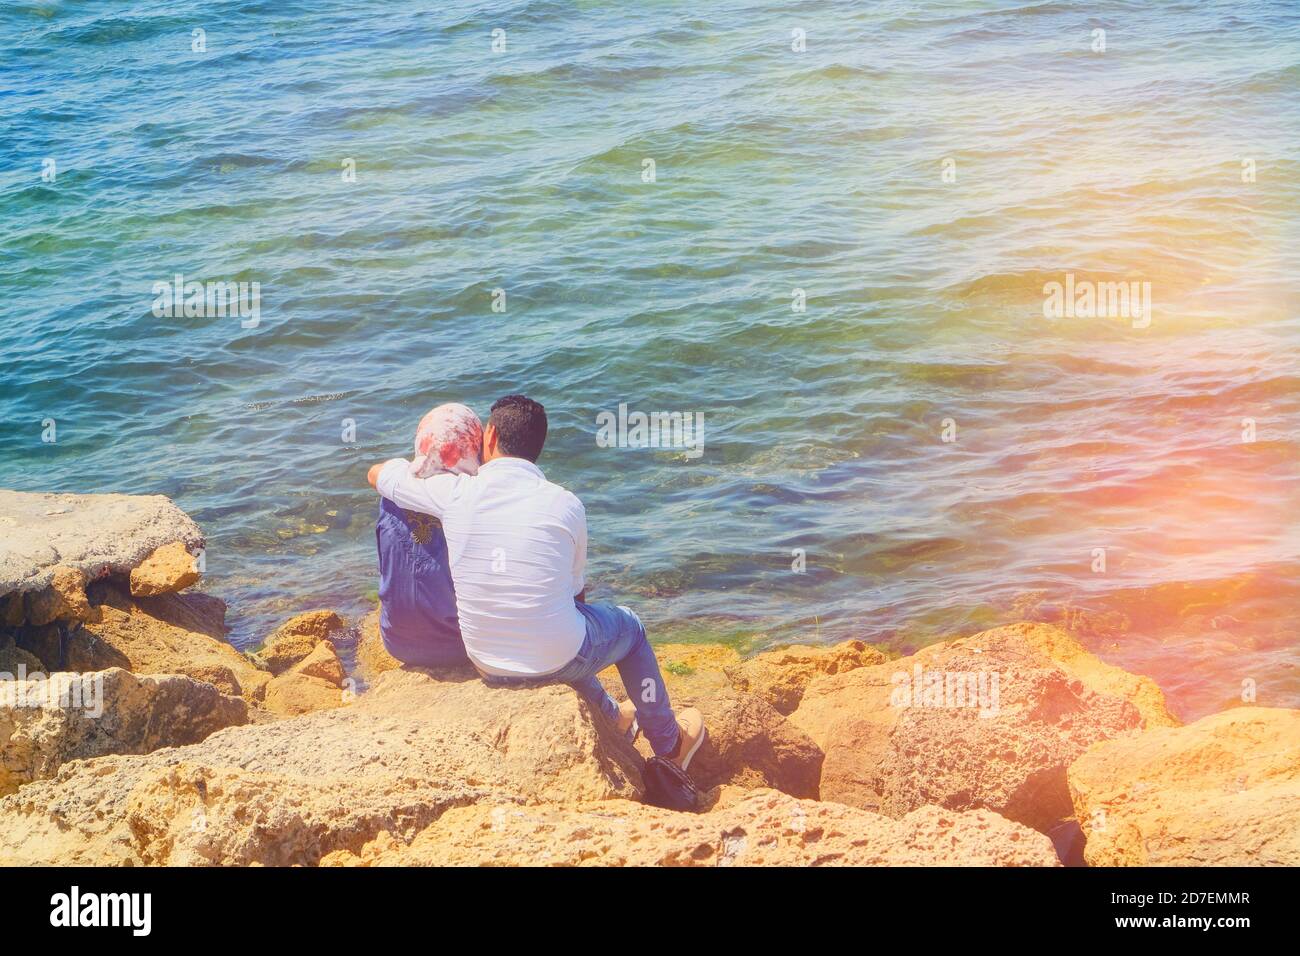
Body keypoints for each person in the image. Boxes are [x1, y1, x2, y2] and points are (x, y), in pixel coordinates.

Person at [366, 394, 705, 770]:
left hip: (485, 662)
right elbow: (576, 594)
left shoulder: (454, 494)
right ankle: (671, 745)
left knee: (556, 629)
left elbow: (379, 474)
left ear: (489, 437)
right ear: (538, 448)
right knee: (628, 629)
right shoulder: (566, 503)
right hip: (555, 657)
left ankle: (612, 717)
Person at [373, 403, 481, 669]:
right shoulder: (470, 498)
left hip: (397, 641)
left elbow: (377, 471)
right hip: (459, 646)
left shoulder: (390, 496)